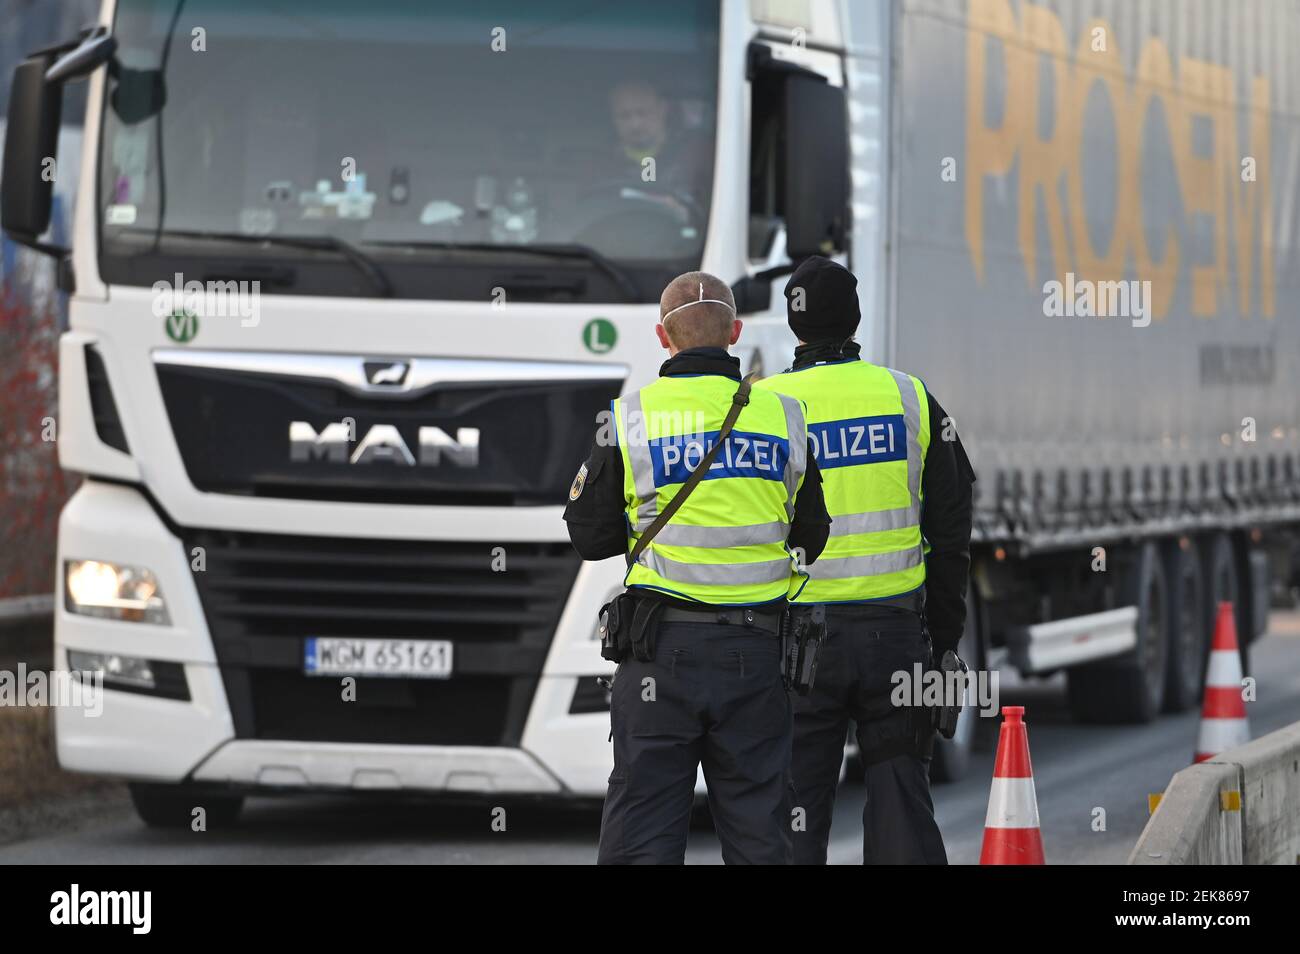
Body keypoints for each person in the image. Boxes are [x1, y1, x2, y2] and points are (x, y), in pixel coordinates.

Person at [564, 270, 831, 864]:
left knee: (644, 831)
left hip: (660, 654)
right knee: (761, 829)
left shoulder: (629, 416)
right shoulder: (785, 416)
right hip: (757, 656)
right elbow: (813, 534)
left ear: (664, 337)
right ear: (735, 332)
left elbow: (587, 535)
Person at [754, 256, 976, 865]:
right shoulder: (908, 396)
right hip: (897, 637)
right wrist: (946, 638)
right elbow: (953, 528)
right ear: (855, 320)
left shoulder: (761, 407)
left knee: (795, 812)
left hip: (798, 645)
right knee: (903, 799)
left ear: (793, 326)